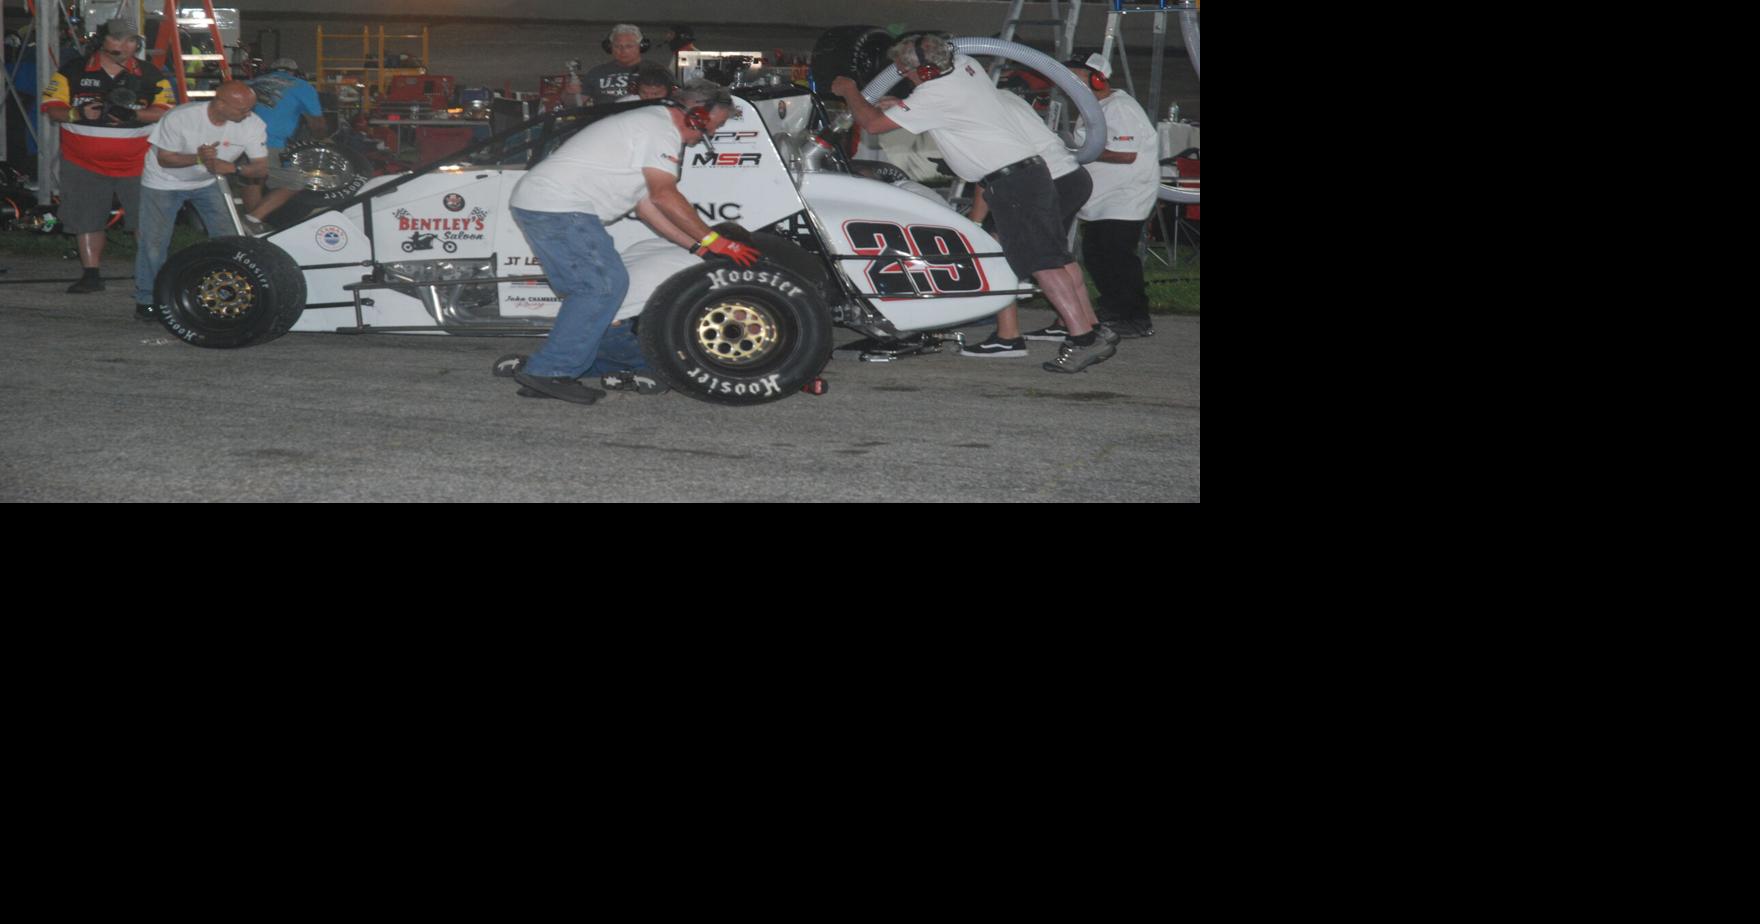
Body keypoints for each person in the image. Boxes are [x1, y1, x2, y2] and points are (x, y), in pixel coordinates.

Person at [832, 34, 1117, 374]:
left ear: (924, 71)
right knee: (1056, 256)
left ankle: (1082, 338)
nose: (904, 77)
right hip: (1029, 173)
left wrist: (850, 90)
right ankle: (1092, 327)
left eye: (907, 72)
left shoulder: (933, 94)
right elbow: (948, 110)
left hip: (1013, 182)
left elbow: (873, 124)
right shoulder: (967, 67)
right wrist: (902, 104)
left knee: (1042, 262)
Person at [505, 80, 762, 405]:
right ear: (697, 113)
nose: (710, 134)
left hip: (542, 202)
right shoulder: (660, 129)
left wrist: (700, 248)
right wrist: (714, 239)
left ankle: (547, 369)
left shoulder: (649, 126)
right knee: (604, 287)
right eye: (716, 124)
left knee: (592, 289)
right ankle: (550, 371)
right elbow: (664, 195)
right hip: (560, 205)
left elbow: (647, 207)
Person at [39, 18, 173, 297]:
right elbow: (52, 109)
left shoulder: (151, 74)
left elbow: (166, 111)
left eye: (131, 40)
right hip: (82, 162)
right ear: (102, 41)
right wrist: (78, 113)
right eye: (117, 39)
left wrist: (134, 114)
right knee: (86, 219)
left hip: (138, 163)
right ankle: (90, 275)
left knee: (145, 220)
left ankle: (154, 275)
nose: (125, 46)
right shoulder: (72, 71)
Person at [959, 87, 1092, 358]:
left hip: (1039, 181)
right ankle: (1087, 323)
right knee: (1059, 258)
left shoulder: (977, 109)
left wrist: (974, 224)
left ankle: (1008, 336)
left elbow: (988, 172)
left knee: (996, 250)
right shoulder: (1005, 96)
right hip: (1071, 175)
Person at [1046, 55, 1162, 340]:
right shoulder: (1093, 109)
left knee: (1117, 259)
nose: (1069, 84)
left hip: (1125, 198)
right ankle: (1113, 308)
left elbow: (1126, 153)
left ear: (1097, 78)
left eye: (1076, 77)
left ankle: (1135, 317)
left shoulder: (1120, 107)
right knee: (1098, 257)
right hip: (1102, 201)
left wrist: (1077, 152)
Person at [134, 81, 267, 321]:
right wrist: (198, 159)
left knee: (229, 239)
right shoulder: (180, 118)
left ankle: (231, 292)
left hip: (208, 182)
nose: (247, 113)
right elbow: (165, 159)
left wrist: (234, 168)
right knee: (154, 243)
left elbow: (260, 168)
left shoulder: (252, 124)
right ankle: (148, 299)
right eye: (241, 109)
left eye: (250, 107)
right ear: (220, 103)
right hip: (163, 182)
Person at [238, 57, 328, 233]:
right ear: (293, 72)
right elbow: (317, 123)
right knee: (294, 181)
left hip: (238, 140)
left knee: (253, 180)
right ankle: (252, 219)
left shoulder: (251, 82)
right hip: (268, 141)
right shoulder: (301, 86)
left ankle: (253, 227)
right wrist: (323, 138)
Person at [583, 24, 646, 106]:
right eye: (617, 46)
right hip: (605, 117)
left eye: (629, 46)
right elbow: (575, 102)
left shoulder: (656, 71)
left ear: (640, 47)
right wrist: (570, 93)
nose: (623, 50)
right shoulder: (596, 72)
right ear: (610, 47)